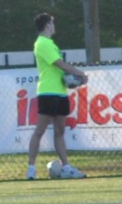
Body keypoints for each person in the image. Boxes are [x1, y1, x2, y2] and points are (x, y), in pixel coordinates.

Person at [27, 12, 87, 180]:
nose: (54, 26)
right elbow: (59, 64)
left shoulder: (51, 43)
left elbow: (59, 70)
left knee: (60, 131)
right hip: (48, 92)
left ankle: (66, 167)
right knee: (40, 130)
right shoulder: (42, 43)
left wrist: (74, 79)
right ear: (47, 25)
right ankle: (31, 169)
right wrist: (79, 73)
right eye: (52, 23)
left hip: (60, 92)